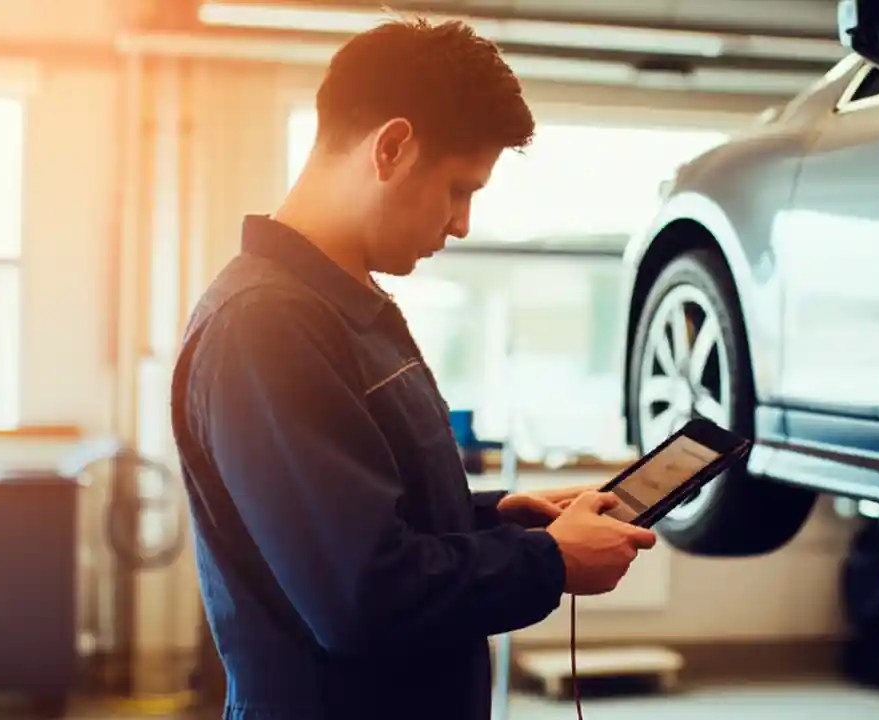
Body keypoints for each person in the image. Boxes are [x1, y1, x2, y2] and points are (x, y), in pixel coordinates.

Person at [170, 17, 657, 720]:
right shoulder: (265, 327)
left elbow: (369, 518)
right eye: (459, 188)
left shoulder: (345, 306)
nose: (461, 224)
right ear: (392, 148)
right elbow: (361, 596)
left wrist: (501, 521)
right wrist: (549, 562)